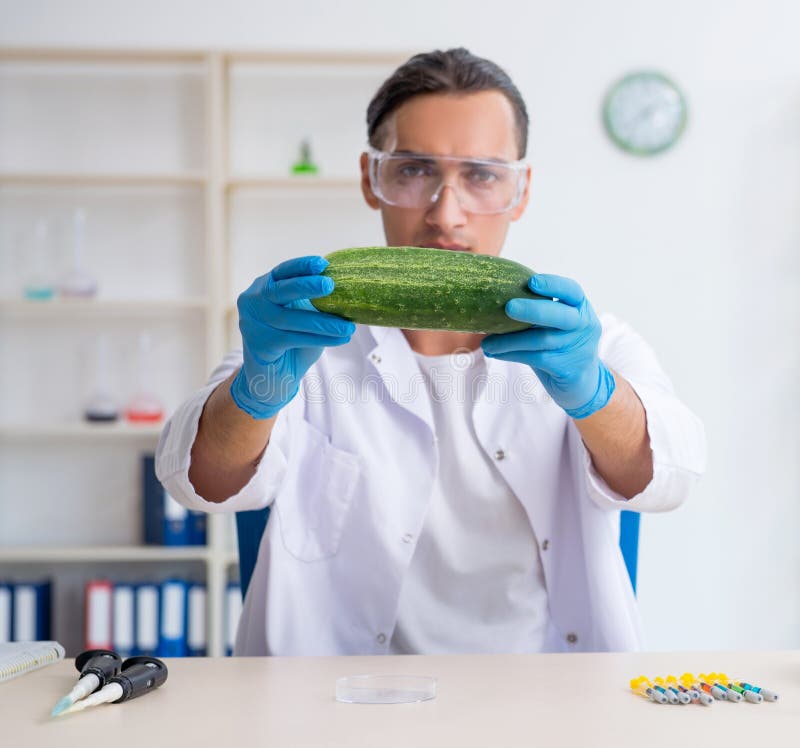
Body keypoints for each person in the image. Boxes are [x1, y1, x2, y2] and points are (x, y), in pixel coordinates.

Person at [156, 48, 706, 656]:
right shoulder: (304, 340)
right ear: (372, 178)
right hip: (331, 701)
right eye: (414, 170)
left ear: (520, 191)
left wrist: (595, 393)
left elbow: (667, 477)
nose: (447, 213)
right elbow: (197, 482)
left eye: (482, 174)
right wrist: (256, 391)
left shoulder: (596, 341)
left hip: (549, 697)